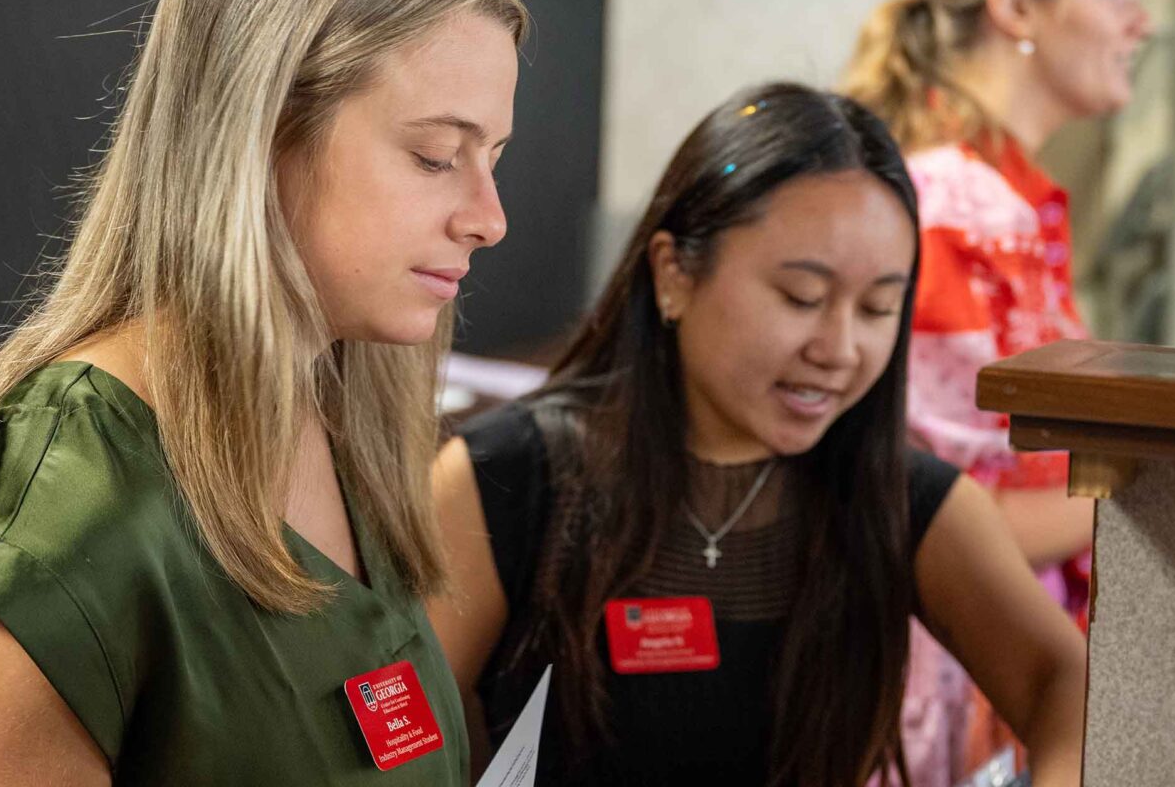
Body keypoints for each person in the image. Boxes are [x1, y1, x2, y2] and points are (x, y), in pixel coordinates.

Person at [0, 0, 527, 785]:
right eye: (434, 157)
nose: (488, 217)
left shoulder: (344, 419)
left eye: (492, 159)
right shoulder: (78, 491)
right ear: (261, 133)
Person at [429, 84, 1087, 787]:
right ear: (674, 272)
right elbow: (393, 732)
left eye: (877, 308)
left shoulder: (904, 500)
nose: (839, 348)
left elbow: (1064, 683)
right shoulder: (508, 479)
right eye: (801, 298)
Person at [842, 0, 1150, 782]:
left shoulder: (1006, 202)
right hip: (945, 675)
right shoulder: (958, 205)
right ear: (1016, 3)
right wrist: (1163, 493)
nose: (1142, 21)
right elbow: (952, 514)